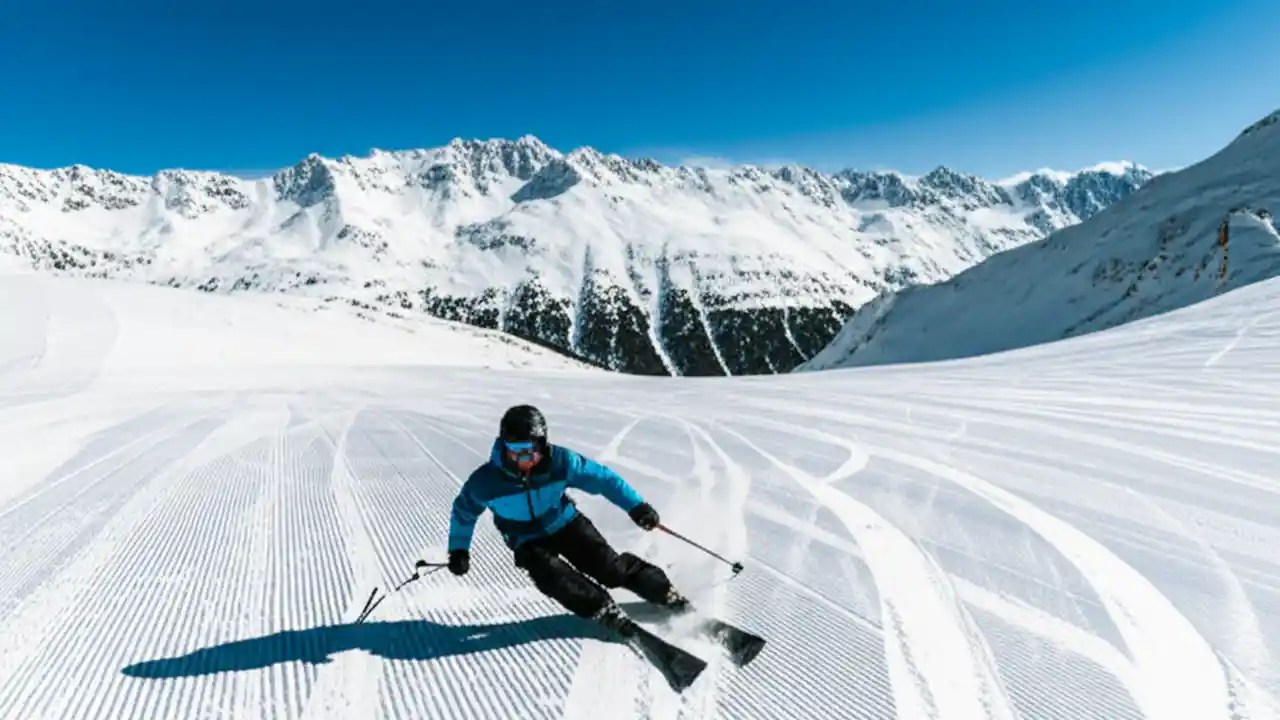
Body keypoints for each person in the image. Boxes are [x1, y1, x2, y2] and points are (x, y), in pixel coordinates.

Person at [446, 405, 688, 636]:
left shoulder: (561, 463)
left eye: (530, 449)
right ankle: (601, 609)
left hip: (565, 523)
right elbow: (463, 513)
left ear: (542, 444)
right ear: (503, 447)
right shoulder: (486, 481)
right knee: (553, 576)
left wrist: (636, 506)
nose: (524, 457)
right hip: (526, 539)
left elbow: (603, 479)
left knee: (610, 570)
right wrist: (458, 550)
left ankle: (664, 591)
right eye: (515, 449)